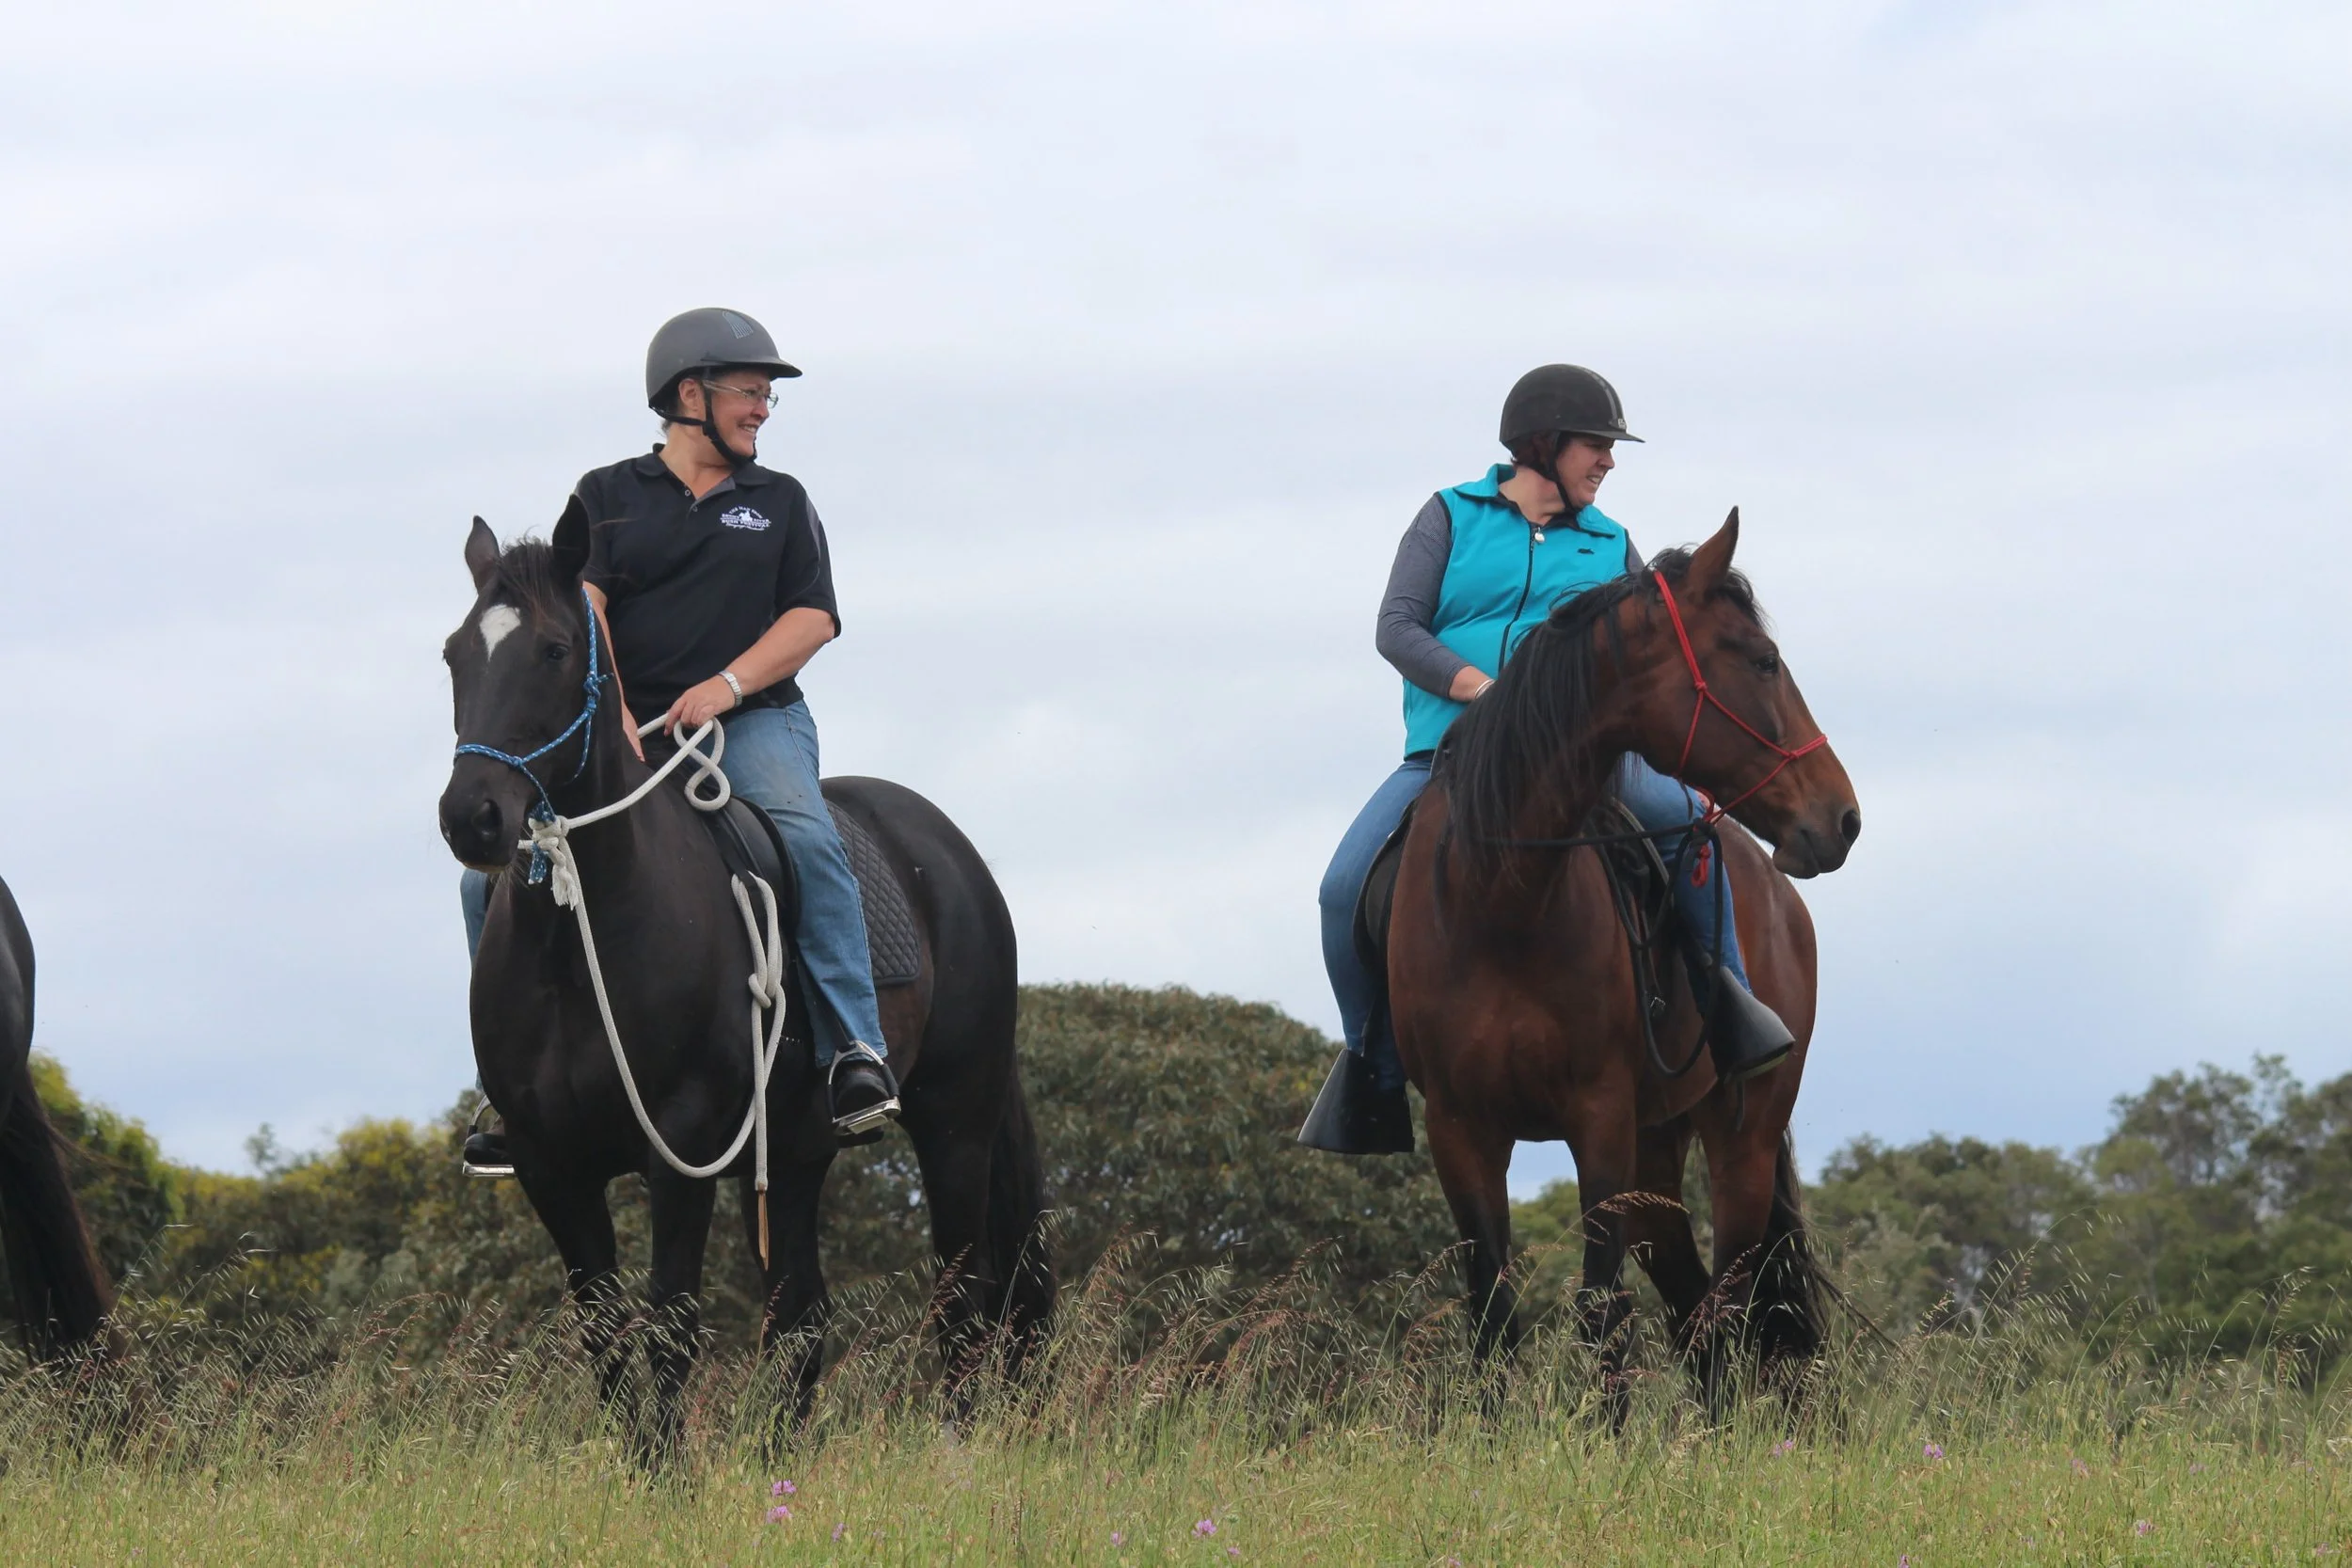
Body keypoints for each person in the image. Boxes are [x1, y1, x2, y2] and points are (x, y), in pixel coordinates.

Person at [1307, 365, 1794, 1153]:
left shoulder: (1610, 543)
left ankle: (1732, 1003)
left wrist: (1683, 768)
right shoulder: (1449, 517)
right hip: (1450, 754)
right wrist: (1478, 688)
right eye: (1595, 446)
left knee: (1690, 832)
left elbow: (1661, 654)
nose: (1607, 461)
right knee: (1339, 891)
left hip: (1595, 761)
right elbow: (1397, 626)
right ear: (1544, 446)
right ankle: (1376, 1064)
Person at [460, 307, 898, 1174]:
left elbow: (814, 617)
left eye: (767, 396)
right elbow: (583, 608)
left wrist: (727, 685)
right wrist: (617, 711)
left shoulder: (781, 503)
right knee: (496, 885)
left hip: (751, 723)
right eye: (750, 391)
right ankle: (508, 1091)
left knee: (806, 838)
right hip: (627, 732)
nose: (763, 409)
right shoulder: (607, 496)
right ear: (689, 395)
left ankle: (853, 1047)